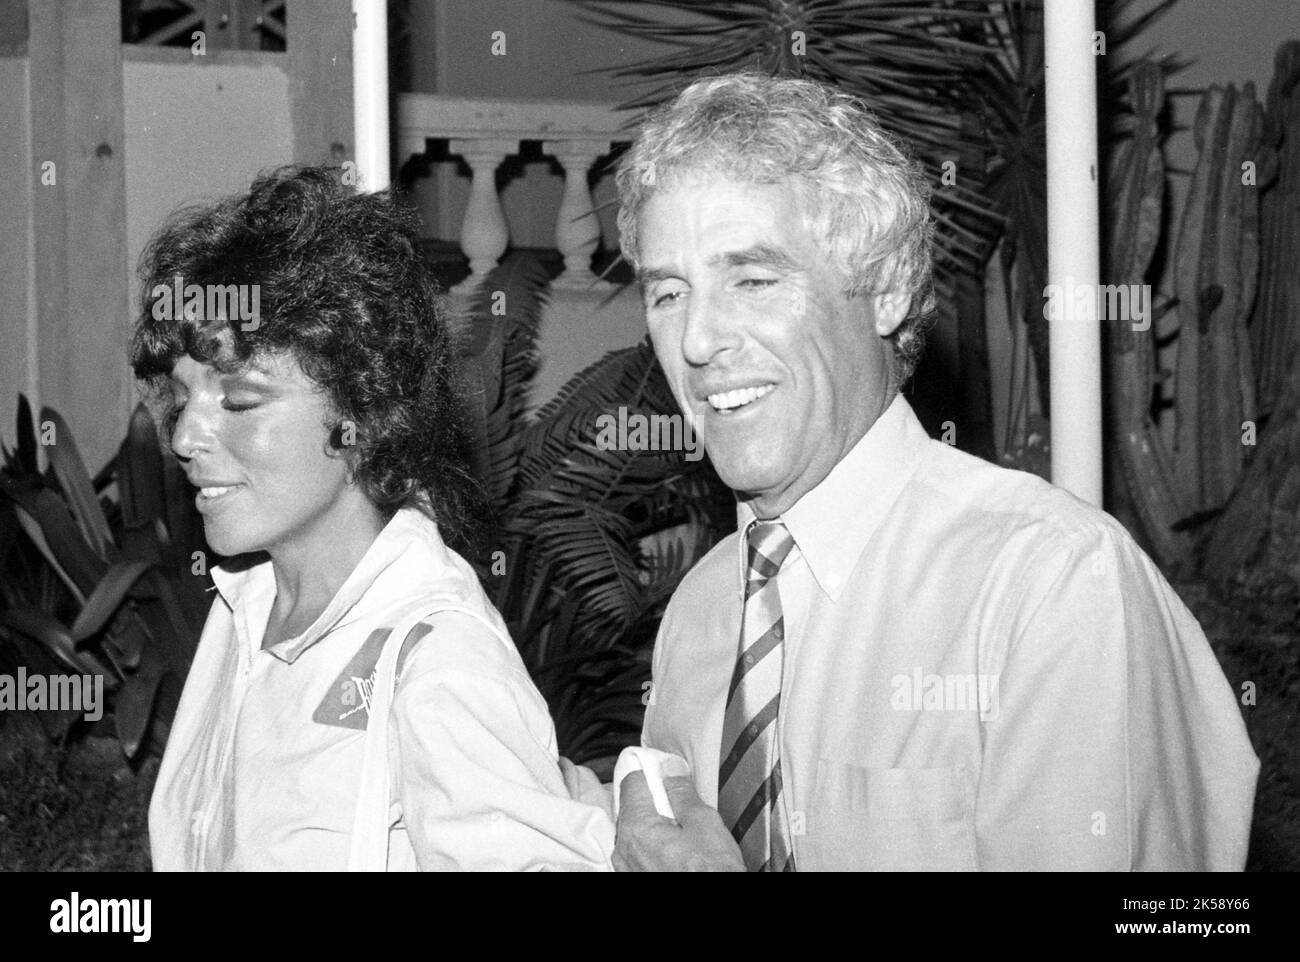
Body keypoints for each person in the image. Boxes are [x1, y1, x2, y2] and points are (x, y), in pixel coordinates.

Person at [609, 73, 1259, 871]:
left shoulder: (1052, 586)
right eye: (669, 293)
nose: (699, 340)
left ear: (883, 291)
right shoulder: (699, 614)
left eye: (752, 279)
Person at [135, 166, 613, 870]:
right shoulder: (244, 606)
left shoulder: (438, 660)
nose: (184, 437)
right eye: (184, 397)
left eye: (238, 402)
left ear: (364, 409)